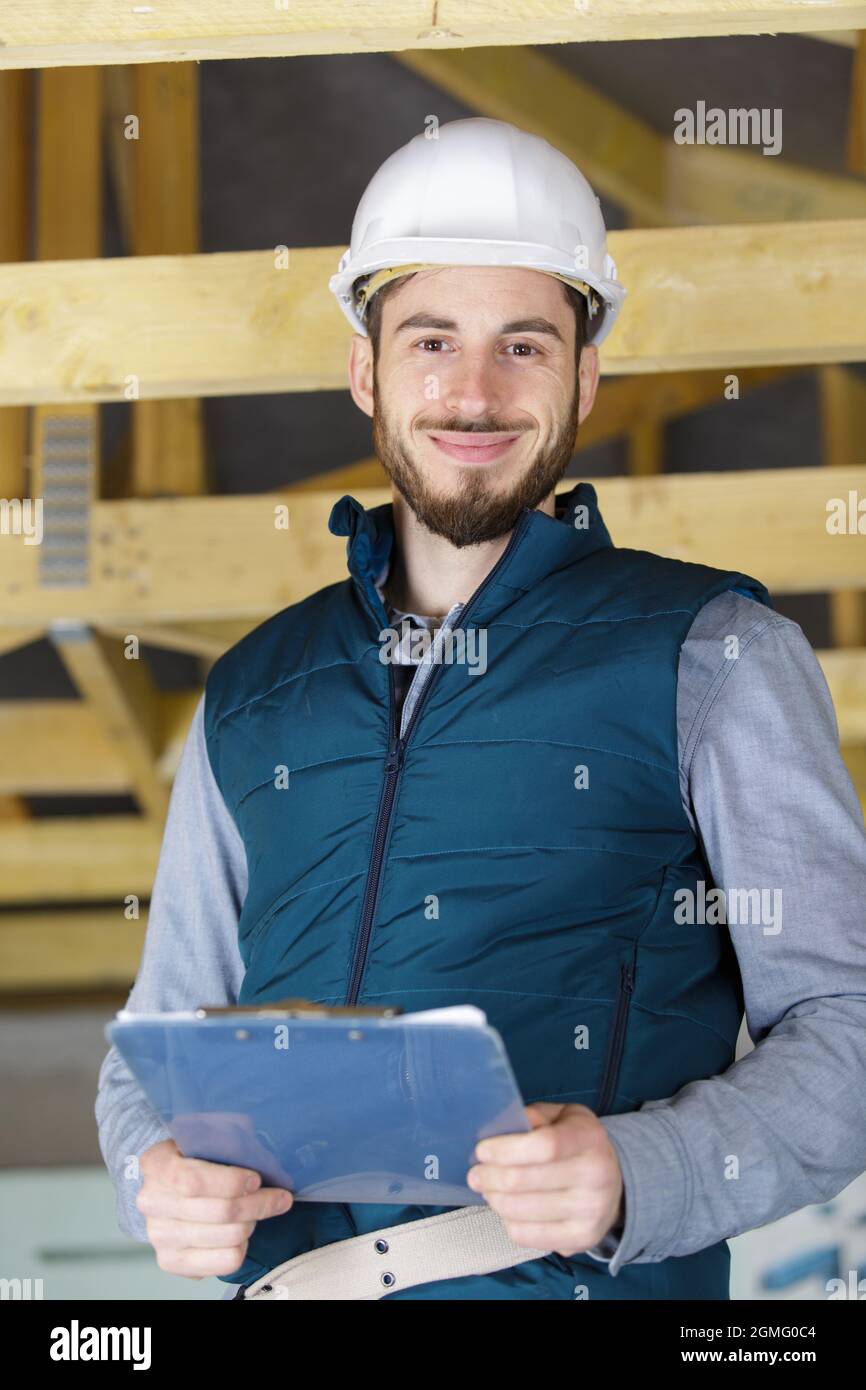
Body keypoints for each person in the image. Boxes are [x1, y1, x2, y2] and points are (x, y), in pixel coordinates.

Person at [97, 117, 866, 1301]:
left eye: (523, 343)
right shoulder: (248, 694)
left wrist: (636, 1168)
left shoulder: (711, 654)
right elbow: (152, 1047)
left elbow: (847, 1028)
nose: (472, 391)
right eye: (429, 340)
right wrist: (151, 1170)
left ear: (583, 376)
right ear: (365, 371)